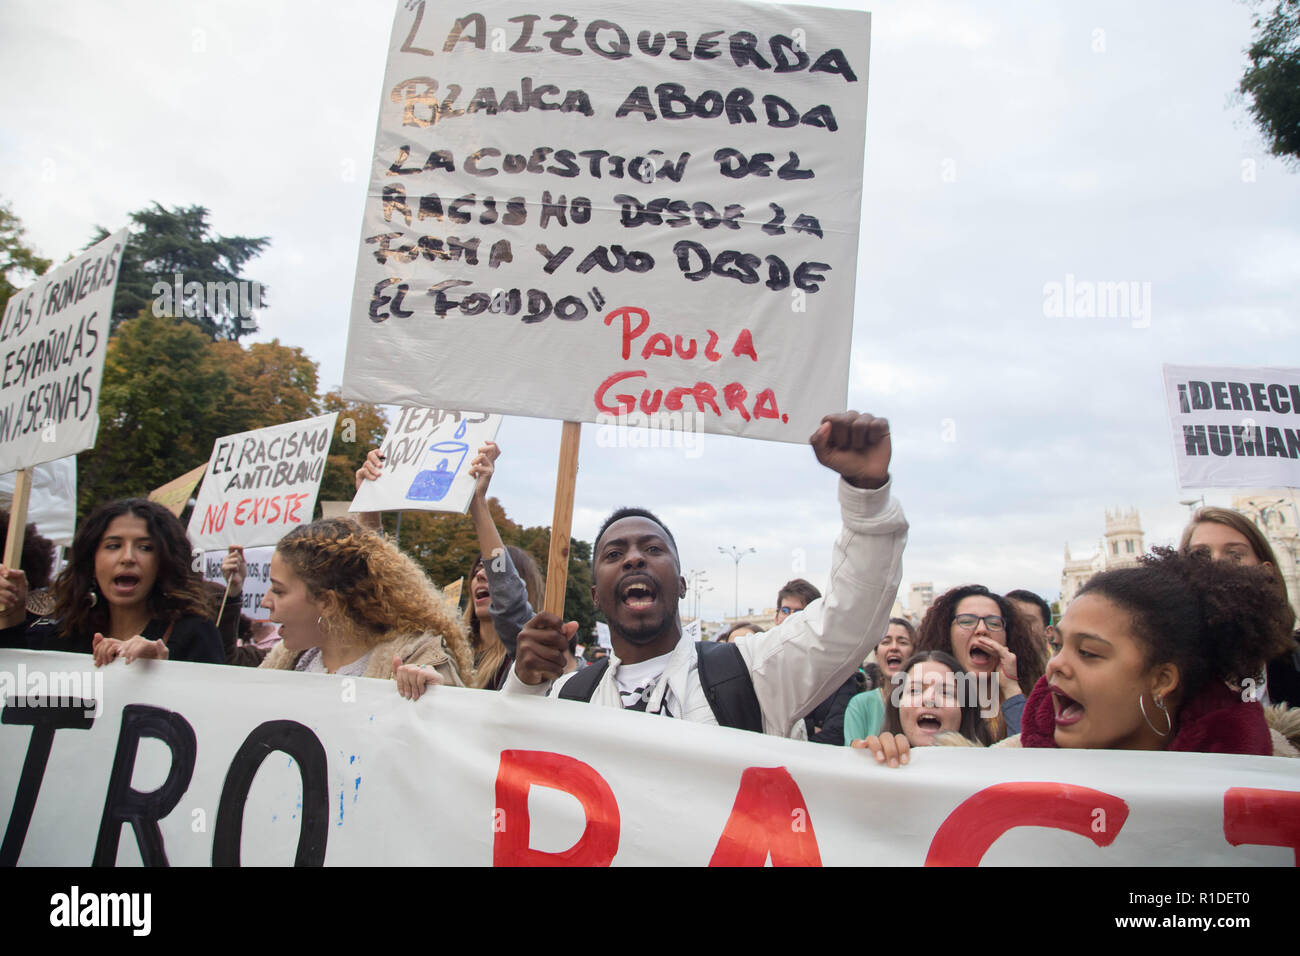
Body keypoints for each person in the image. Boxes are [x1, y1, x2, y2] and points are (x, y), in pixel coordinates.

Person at [504, 411, 907, 738]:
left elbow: (849, 620)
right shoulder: (566, 696)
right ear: (594, 595)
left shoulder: (753, 673)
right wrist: (524, 684)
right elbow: (500, 765)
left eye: (653, 549)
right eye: (614, 553)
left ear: (682, 584)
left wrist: (866, 494)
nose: (633, 560)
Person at [1018, 548, 1296, 755]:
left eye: (1088, 652)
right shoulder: (1000, 774)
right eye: (1057, 646)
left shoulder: (1277, 778)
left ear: (1162, 680)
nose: (1056, 665)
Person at [355, 441, 552, 692]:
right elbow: (379, 594)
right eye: (476, 570)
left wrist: (477, 502)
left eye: (489, 569)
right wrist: (371, 503)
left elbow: (508, 598)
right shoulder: (439, 648)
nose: (481, 574)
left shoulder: (526, 658)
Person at [0, 499, 223, 665]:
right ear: (92, 560)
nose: (127, 557)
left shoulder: (195, 633)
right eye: (113, 546)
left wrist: (162, 670)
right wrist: (10, 615)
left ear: (163, 562)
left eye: (145, 547)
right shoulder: (65, 635)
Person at [258, 517, 471, 691]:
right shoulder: (286, 661)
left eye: (278, 590)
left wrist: (436, 695)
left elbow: (454, 733)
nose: (265, 601)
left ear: (327, 602)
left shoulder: (416, 658)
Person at [1179, 506, 1300, 707]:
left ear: (1265, 571)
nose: (1217, 562)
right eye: (1200, 554)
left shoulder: (1292, 664)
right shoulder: (1168, 667)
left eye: (1235, 554)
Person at [914, 584, 1043, 739]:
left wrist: (1011, 688)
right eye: (967, 621)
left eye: (994, 623)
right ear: (946, 635)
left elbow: (1032, 752)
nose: (982, 629)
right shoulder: (923, 700)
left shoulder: (1035, 701)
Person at [850, 650, 994, 766]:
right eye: (915, 691)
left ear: (965, 711)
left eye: (946, 692)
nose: (930, 700)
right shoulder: (878, 764)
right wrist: (864, 762)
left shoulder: (991, 771)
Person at [842, 617, 915, 744]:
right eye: (886, 642)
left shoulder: (925, 704)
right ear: (876, 654)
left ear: (914, 653)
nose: (894, 647)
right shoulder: (859, 704)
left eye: (902, 642)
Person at [1005, 588, 1054, 661]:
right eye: (1010, 620)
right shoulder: (988, 671)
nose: (1017, 628)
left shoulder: (1060, 670)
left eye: (1027, 622)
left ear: (1048, 632)